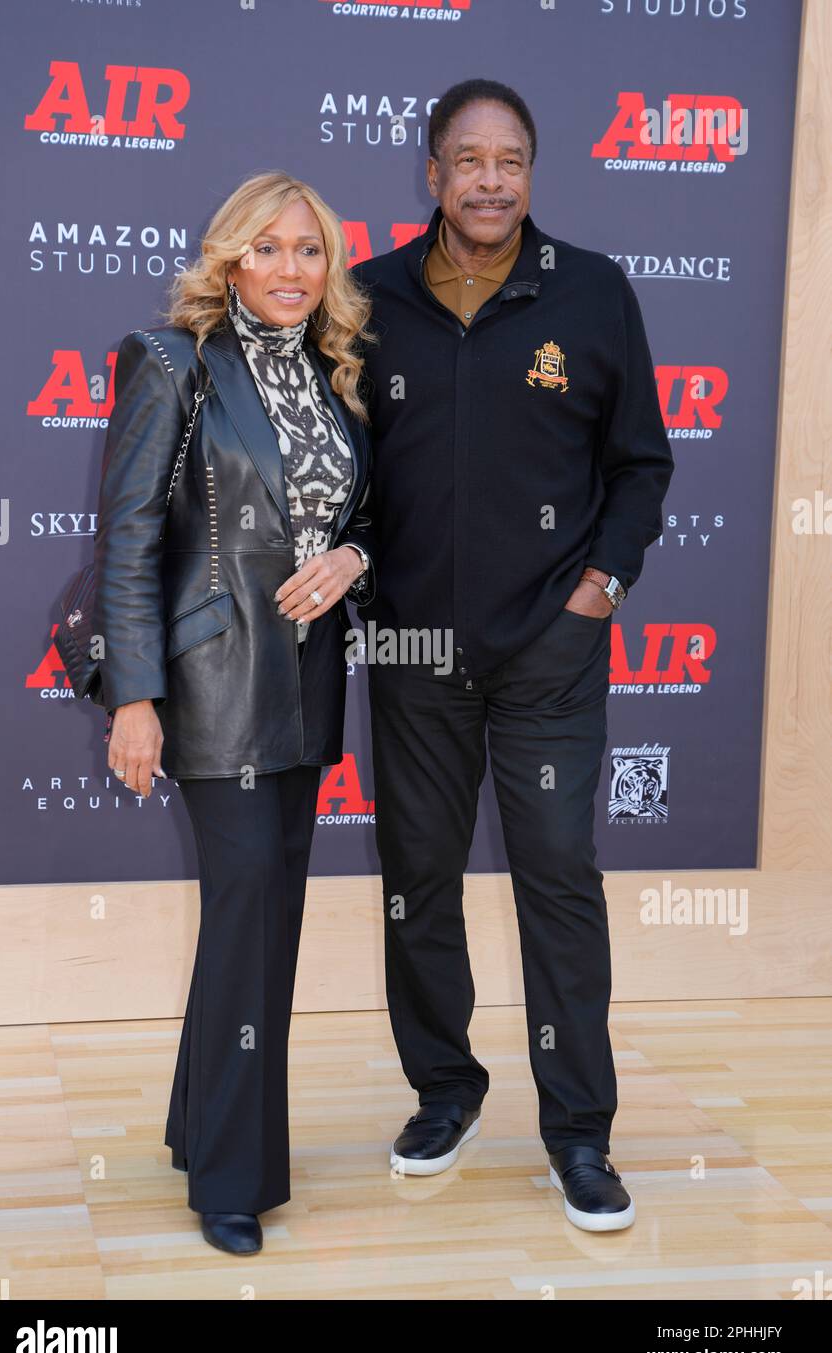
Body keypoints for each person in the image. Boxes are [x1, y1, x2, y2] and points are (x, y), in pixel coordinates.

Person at [351, 79, 675, 1232]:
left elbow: (640, 463)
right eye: (467, 160)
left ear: (530, 173)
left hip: (549, 643)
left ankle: (579, 1133)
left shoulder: (590, 291)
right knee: (418, 881)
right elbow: (339, 472)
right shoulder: (369, 296)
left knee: (555, 880)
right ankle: (444, 1091)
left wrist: (599, 588)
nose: (490, 180)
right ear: (431, 174)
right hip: (412, 649)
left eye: (511, 160)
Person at [92, 171, 376, 1255]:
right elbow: (128, 539)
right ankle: (231, 1179)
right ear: (227, 260)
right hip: (214, 681)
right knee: (249, 912)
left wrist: (353, 553)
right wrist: (136, 699)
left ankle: (195, 1129)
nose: (291, 269)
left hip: (305, 683)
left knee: (261, 919)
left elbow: (371, 514)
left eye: (309, 249)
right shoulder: (172, 365)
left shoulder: (336, 373)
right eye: (266, 248)